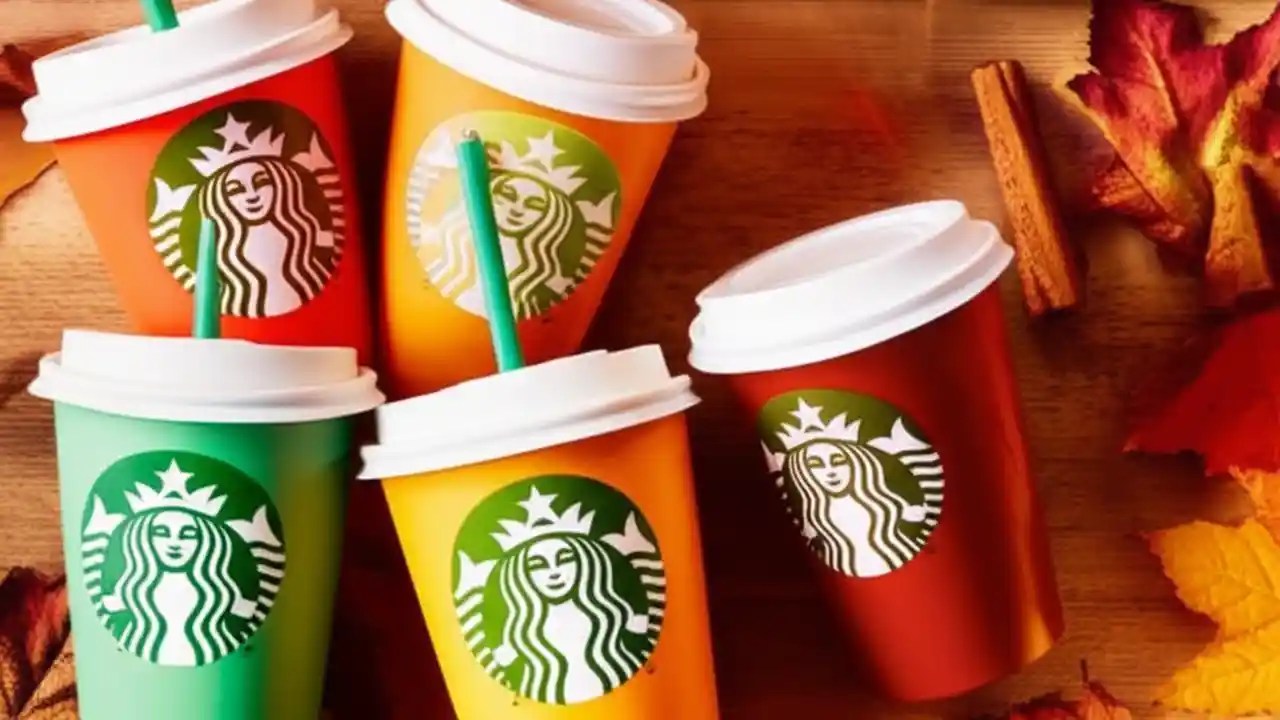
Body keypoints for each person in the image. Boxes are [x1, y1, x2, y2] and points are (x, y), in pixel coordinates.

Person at [200, 157, 336, 318]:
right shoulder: (222, 252)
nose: (252, 196)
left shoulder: (315, 237)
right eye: (236, 190)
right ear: (222, 200)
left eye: (261, 183)